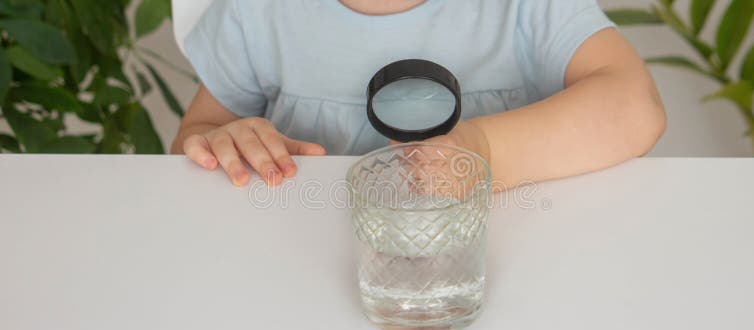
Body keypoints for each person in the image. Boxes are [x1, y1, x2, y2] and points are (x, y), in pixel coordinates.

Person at [173, 0, 666, 188]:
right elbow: (195, 137)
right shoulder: (254, 12)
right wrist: (228, 142)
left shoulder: (526, 8)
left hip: (494, 272)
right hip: (297, 271)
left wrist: (484, 151)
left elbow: (633, 104)